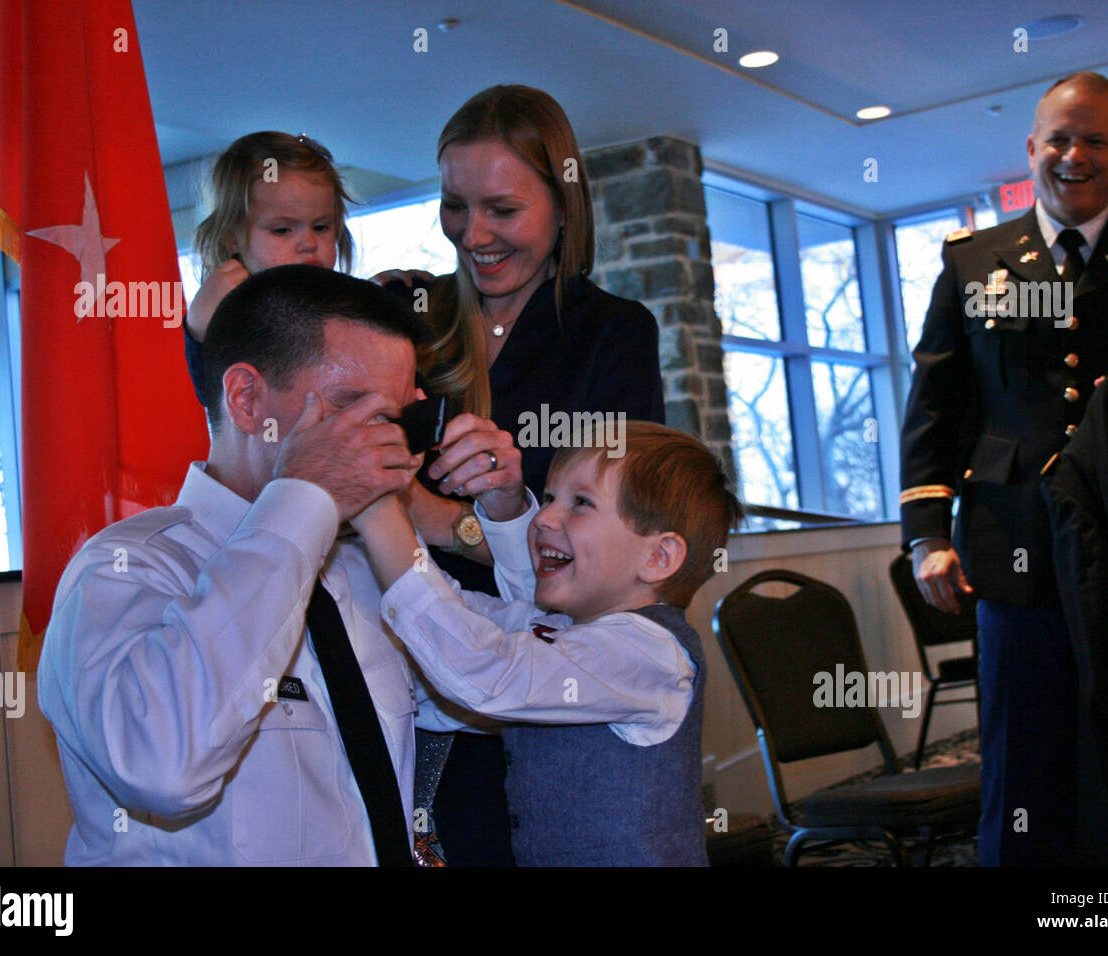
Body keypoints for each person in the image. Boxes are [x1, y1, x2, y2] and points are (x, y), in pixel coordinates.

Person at [38, 266, 530, 865]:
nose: (386, 445)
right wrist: (304, 499)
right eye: (354, 411)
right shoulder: (122, 572)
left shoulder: (369, 570)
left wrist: (505, 517)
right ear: (247, 399)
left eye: (395, 420)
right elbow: (161, 764)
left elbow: (522, 683)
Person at [899, 71, 1108, 865]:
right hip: (1017, 551)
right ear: (1032, 148)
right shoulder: (974, 263)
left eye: (1095, 141)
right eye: (1060, 139)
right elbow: (936, 407)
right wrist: (925, 536)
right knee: (1023, 757)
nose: (1075, 156)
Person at [377, 85, 666, 865]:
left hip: (545, 686)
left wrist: (445, 521)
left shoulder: (612, 335)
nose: (473, 235)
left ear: (564, 206)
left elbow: (609, 554)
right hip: (405, 670)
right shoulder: (408, 321)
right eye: (453, 207)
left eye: (501, 210)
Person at [352, 421, 742, 865]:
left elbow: (488, 673)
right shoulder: (560, 631)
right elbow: (458, 619)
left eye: (580, 503)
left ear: (658, 558)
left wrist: (379, 512)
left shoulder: (648, 651)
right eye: (551, 496)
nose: (544, 516)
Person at [182, 131, 355, 405]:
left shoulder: (350, 304)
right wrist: (201, 330)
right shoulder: (231, 316)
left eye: (321, 227)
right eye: (282, 230)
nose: (309, 243)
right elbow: (218, 401)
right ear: (231, 237)